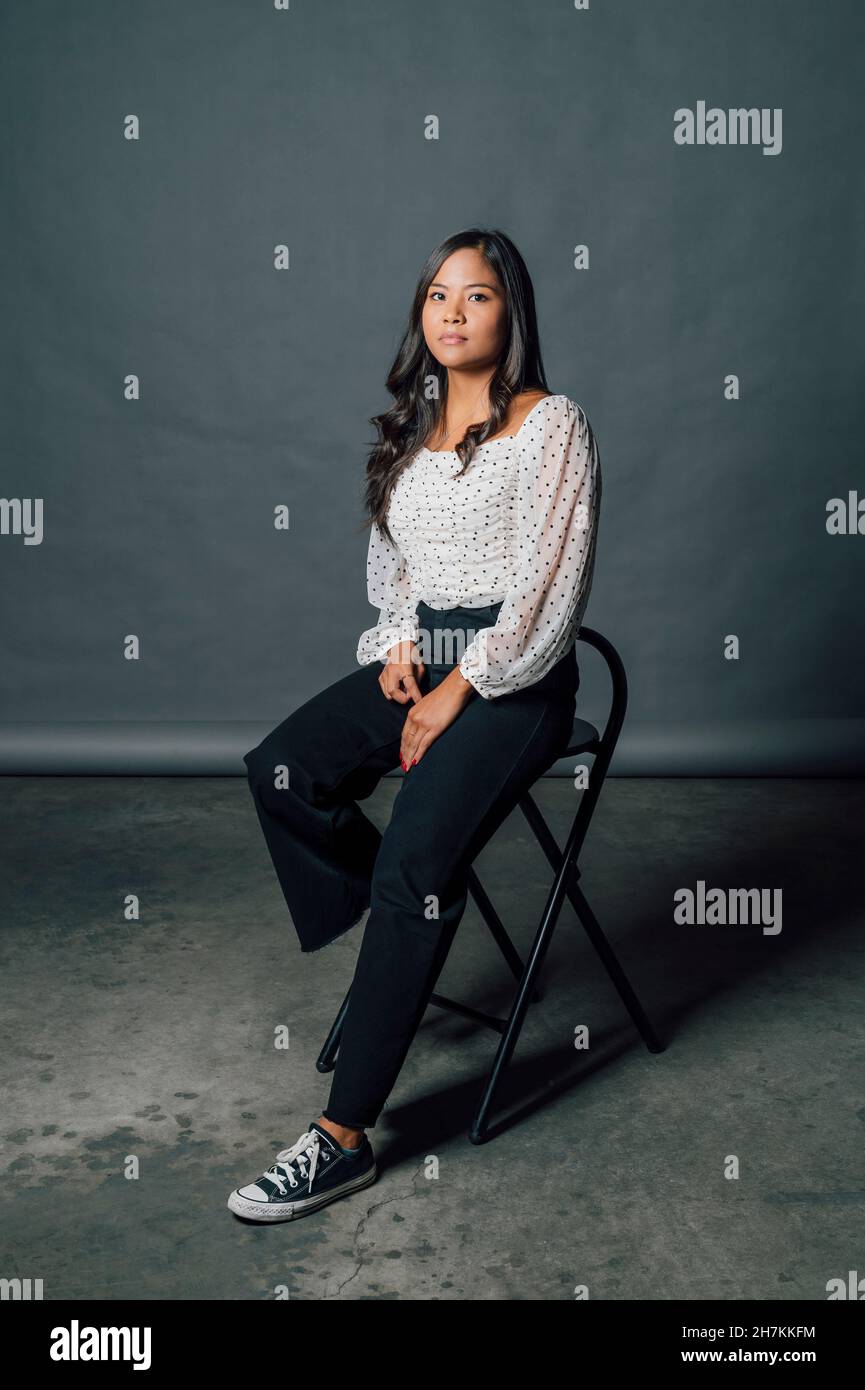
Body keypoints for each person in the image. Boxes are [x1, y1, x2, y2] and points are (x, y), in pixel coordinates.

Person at [227, 227, 602, 1223]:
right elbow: (397, 569)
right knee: (278, 771)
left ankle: (342, 1138)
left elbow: (545, 593)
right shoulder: (414, 432)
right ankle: (399, 927)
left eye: (474, 296)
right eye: (437, 294)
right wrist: (399, 641)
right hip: (426, 657)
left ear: (510, 313)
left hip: (516, 683)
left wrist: (457, 685)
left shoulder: (550, 425)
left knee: (414, 870)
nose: (450, 312)